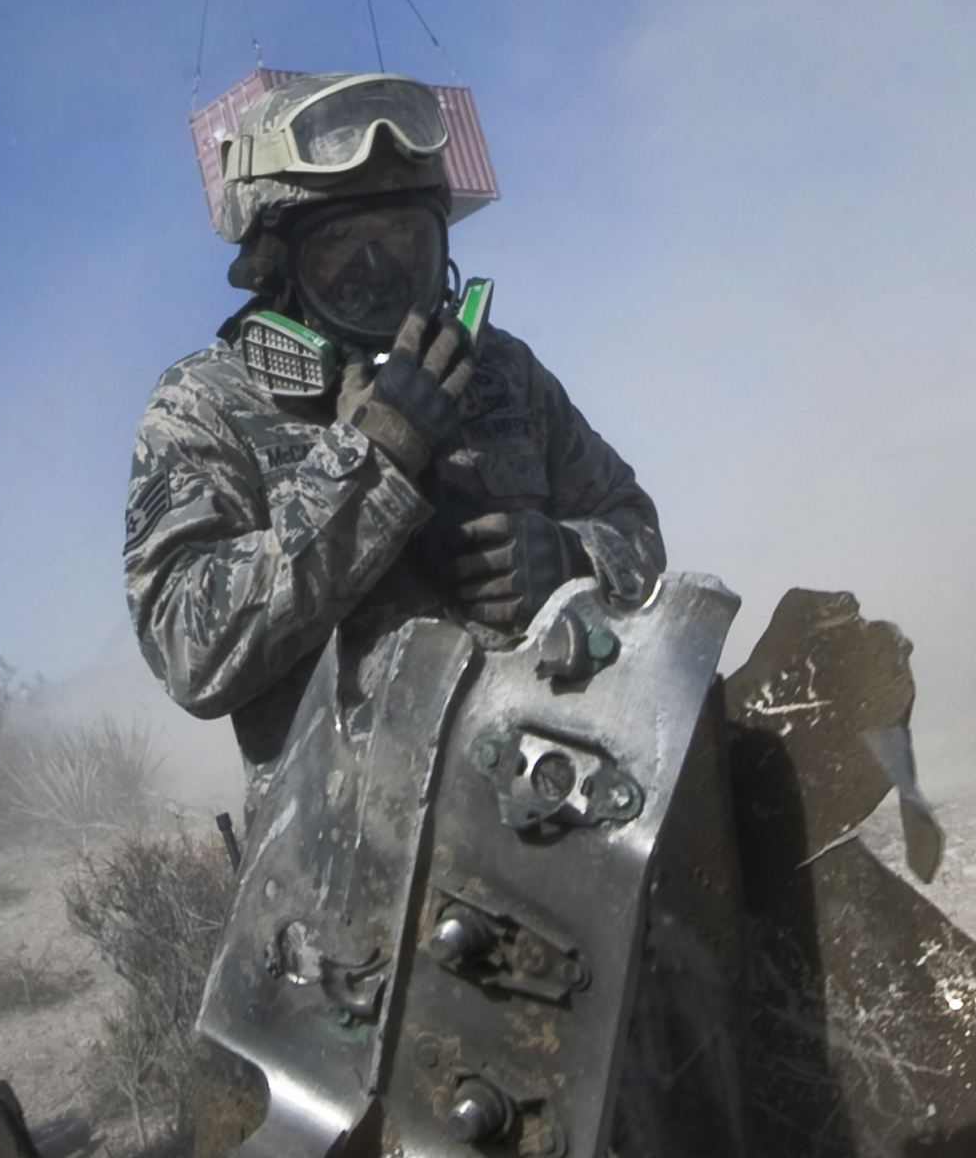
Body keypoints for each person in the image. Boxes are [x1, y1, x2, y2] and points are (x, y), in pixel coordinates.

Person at [122, 69, 662, 785]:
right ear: (277, 262)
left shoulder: (501, 372)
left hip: (554, 803)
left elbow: (637, 531)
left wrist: (573, 560)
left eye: (403, 235)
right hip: (345, 854)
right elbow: (192, 649)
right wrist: (378, 458)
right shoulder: (205, 402)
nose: (376, 263)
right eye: (341, 238)